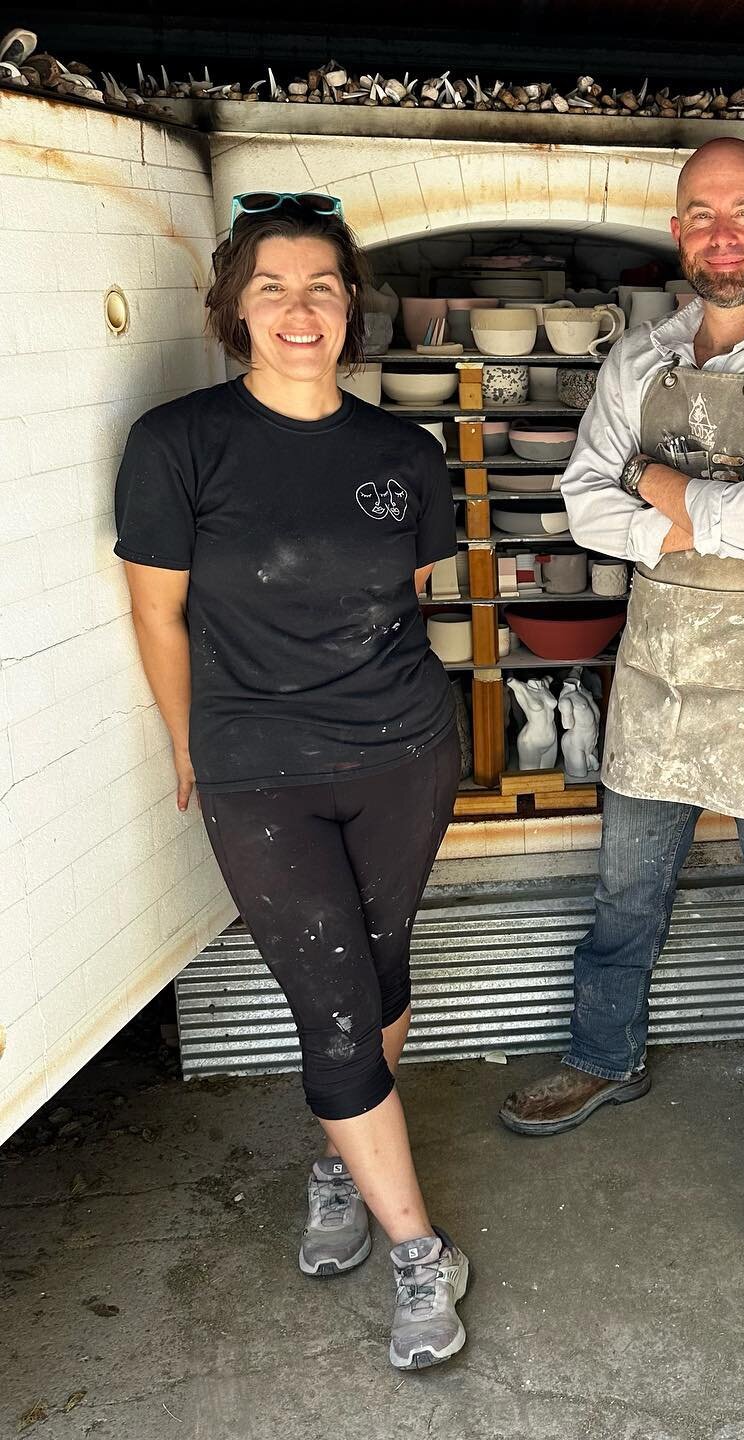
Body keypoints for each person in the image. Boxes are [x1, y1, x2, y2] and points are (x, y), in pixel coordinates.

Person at [115, 192, 470, 1370]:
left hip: (404, 752)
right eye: (272, 286)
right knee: (329, 1002)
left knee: (378, 968)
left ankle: (344, 1165)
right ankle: (420, 1249)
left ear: (350, 307)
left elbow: (405, 606)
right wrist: (184, 744)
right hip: (256, 767)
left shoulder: (402, 455)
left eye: (321, 285)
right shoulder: (178, 444)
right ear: (234, 306)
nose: (299, 308)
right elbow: (157, 614)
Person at [500, 137, 744, 1242]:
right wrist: (710, 520)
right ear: (678, 232)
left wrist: (658, 491)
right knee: (625, 900)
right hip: (658, 676)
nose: (723, 232)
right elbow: (581, 502)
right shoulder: (639, 359)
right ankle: (604, 1057)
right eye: (702, 213)